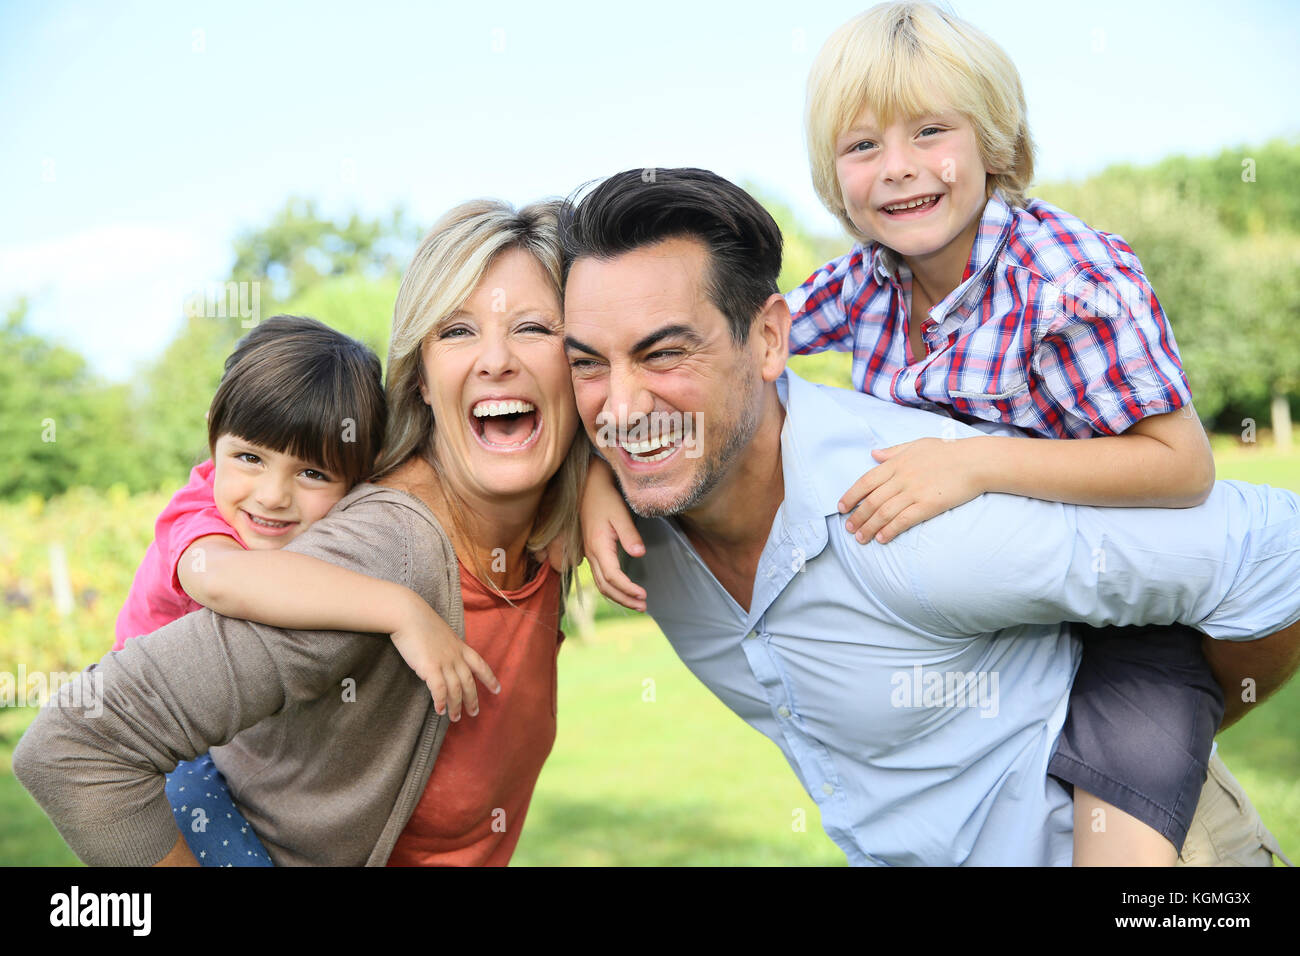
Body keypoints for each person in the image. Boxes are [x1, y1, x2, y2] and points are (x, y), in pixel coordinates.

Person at [578, 2, 1225, 865]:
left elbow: (1182, 466)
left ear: (994, 141)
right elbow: (710, 351)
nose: (899, 169)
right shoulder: (866, 282)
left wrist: (976, 467)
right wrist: (597, 470)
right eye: (862, 146)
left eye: (929, 132)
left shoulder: (1068, 278)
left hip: (1122, 633)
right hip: (1003, 640)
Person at [14, 198, 588, 866]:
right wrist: (399, 608)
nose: (496, 360)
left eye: (533, 328)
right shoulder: (382, 555)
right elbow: (72, 746)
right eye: (456, 331)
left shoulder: (550, 523)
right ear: (422, 380)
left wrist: (597, 484)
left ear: (580, 361)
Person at [112, 314, 498, 865]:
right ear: (211, 437)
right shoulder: (196, 520)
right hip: (162, 747)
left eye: (312, 473)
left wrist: (592, 486)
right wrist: (400, 610)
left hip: (244, 740)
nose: (271, 496)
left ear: (358, 476)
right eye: (249, 458)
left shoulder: (350, 517)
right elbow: (224, 581)